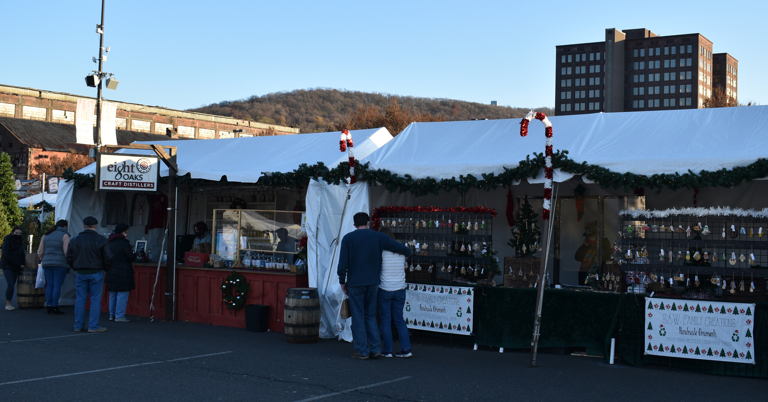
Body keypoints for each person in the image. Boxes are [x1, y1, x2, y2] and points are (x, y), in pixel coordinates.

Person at [337, 212, 410, 360]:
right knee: (370, 316)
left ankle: (362, 351)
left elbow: (343, 263)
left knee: (358, 316)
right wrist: (406, 254)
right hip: (373, 283)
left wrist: (342, 281)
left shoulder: (348, 238)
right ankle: (376, 348)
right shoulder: (379, 237)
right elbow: (401, 248)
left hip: (355, 283)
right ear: (369, 223)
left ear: (354, 225)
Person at [66, 216, 113, 333]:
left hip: (81, 272)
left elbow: (69, 257)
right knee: (95, 300)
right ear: (96, 225)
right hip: (96, 272)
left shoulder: (75, 240)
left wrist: (75, 267)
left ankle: (78, 325)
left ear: (84, 225)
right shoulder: (101, 240)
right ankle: (93, 325)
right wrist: (105, 269)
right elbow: (109, 257)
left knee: (80, 299)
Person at [377, 227, 412, 358]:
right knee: (399, 319)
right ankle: (406, 349)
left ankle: (387, 351)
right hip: (400, 289)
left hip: (384, 289)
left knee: (385, 320)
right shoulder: (401, 251)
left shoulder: (380, 252)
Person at [37, 220, 70, 315]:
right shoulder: (65, 235)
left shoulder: (46, 235)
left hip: (47, 263)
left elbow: (40, 251)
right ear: (64, 226)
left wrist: (44, 259)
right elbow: (66, 252)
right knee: (57, 285)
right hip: (60, 264)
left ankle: (49, 305)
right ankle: (55, 306)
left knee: (49, 285)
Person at [106, 223, 137, 323]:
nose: (127, 234)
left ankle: (112, 314)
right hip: (123, 271)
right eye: (126, 232)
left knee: (113, 294)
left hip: (111, 270)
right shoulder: (124, 243)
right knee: (122, 294)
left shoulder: (109, 241)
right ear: (123, 232)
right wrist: (134, 254)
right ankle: (119, 315)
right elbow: (130, 257)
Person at [2, 226, 25, 311]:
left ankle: (9, 303)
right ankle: (8, 304)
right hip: (7, 265)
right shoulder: (7, 240)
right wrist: (19, 264)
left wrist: (23, 264)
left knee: (12, 284)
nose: (18, 235)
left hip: (16, 266)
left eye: (20, 233)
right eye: (16, 233)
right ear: (12, 233)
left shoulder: (20, 242)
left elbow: (22, 254)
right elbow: (7, 254)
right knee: (11, 284)